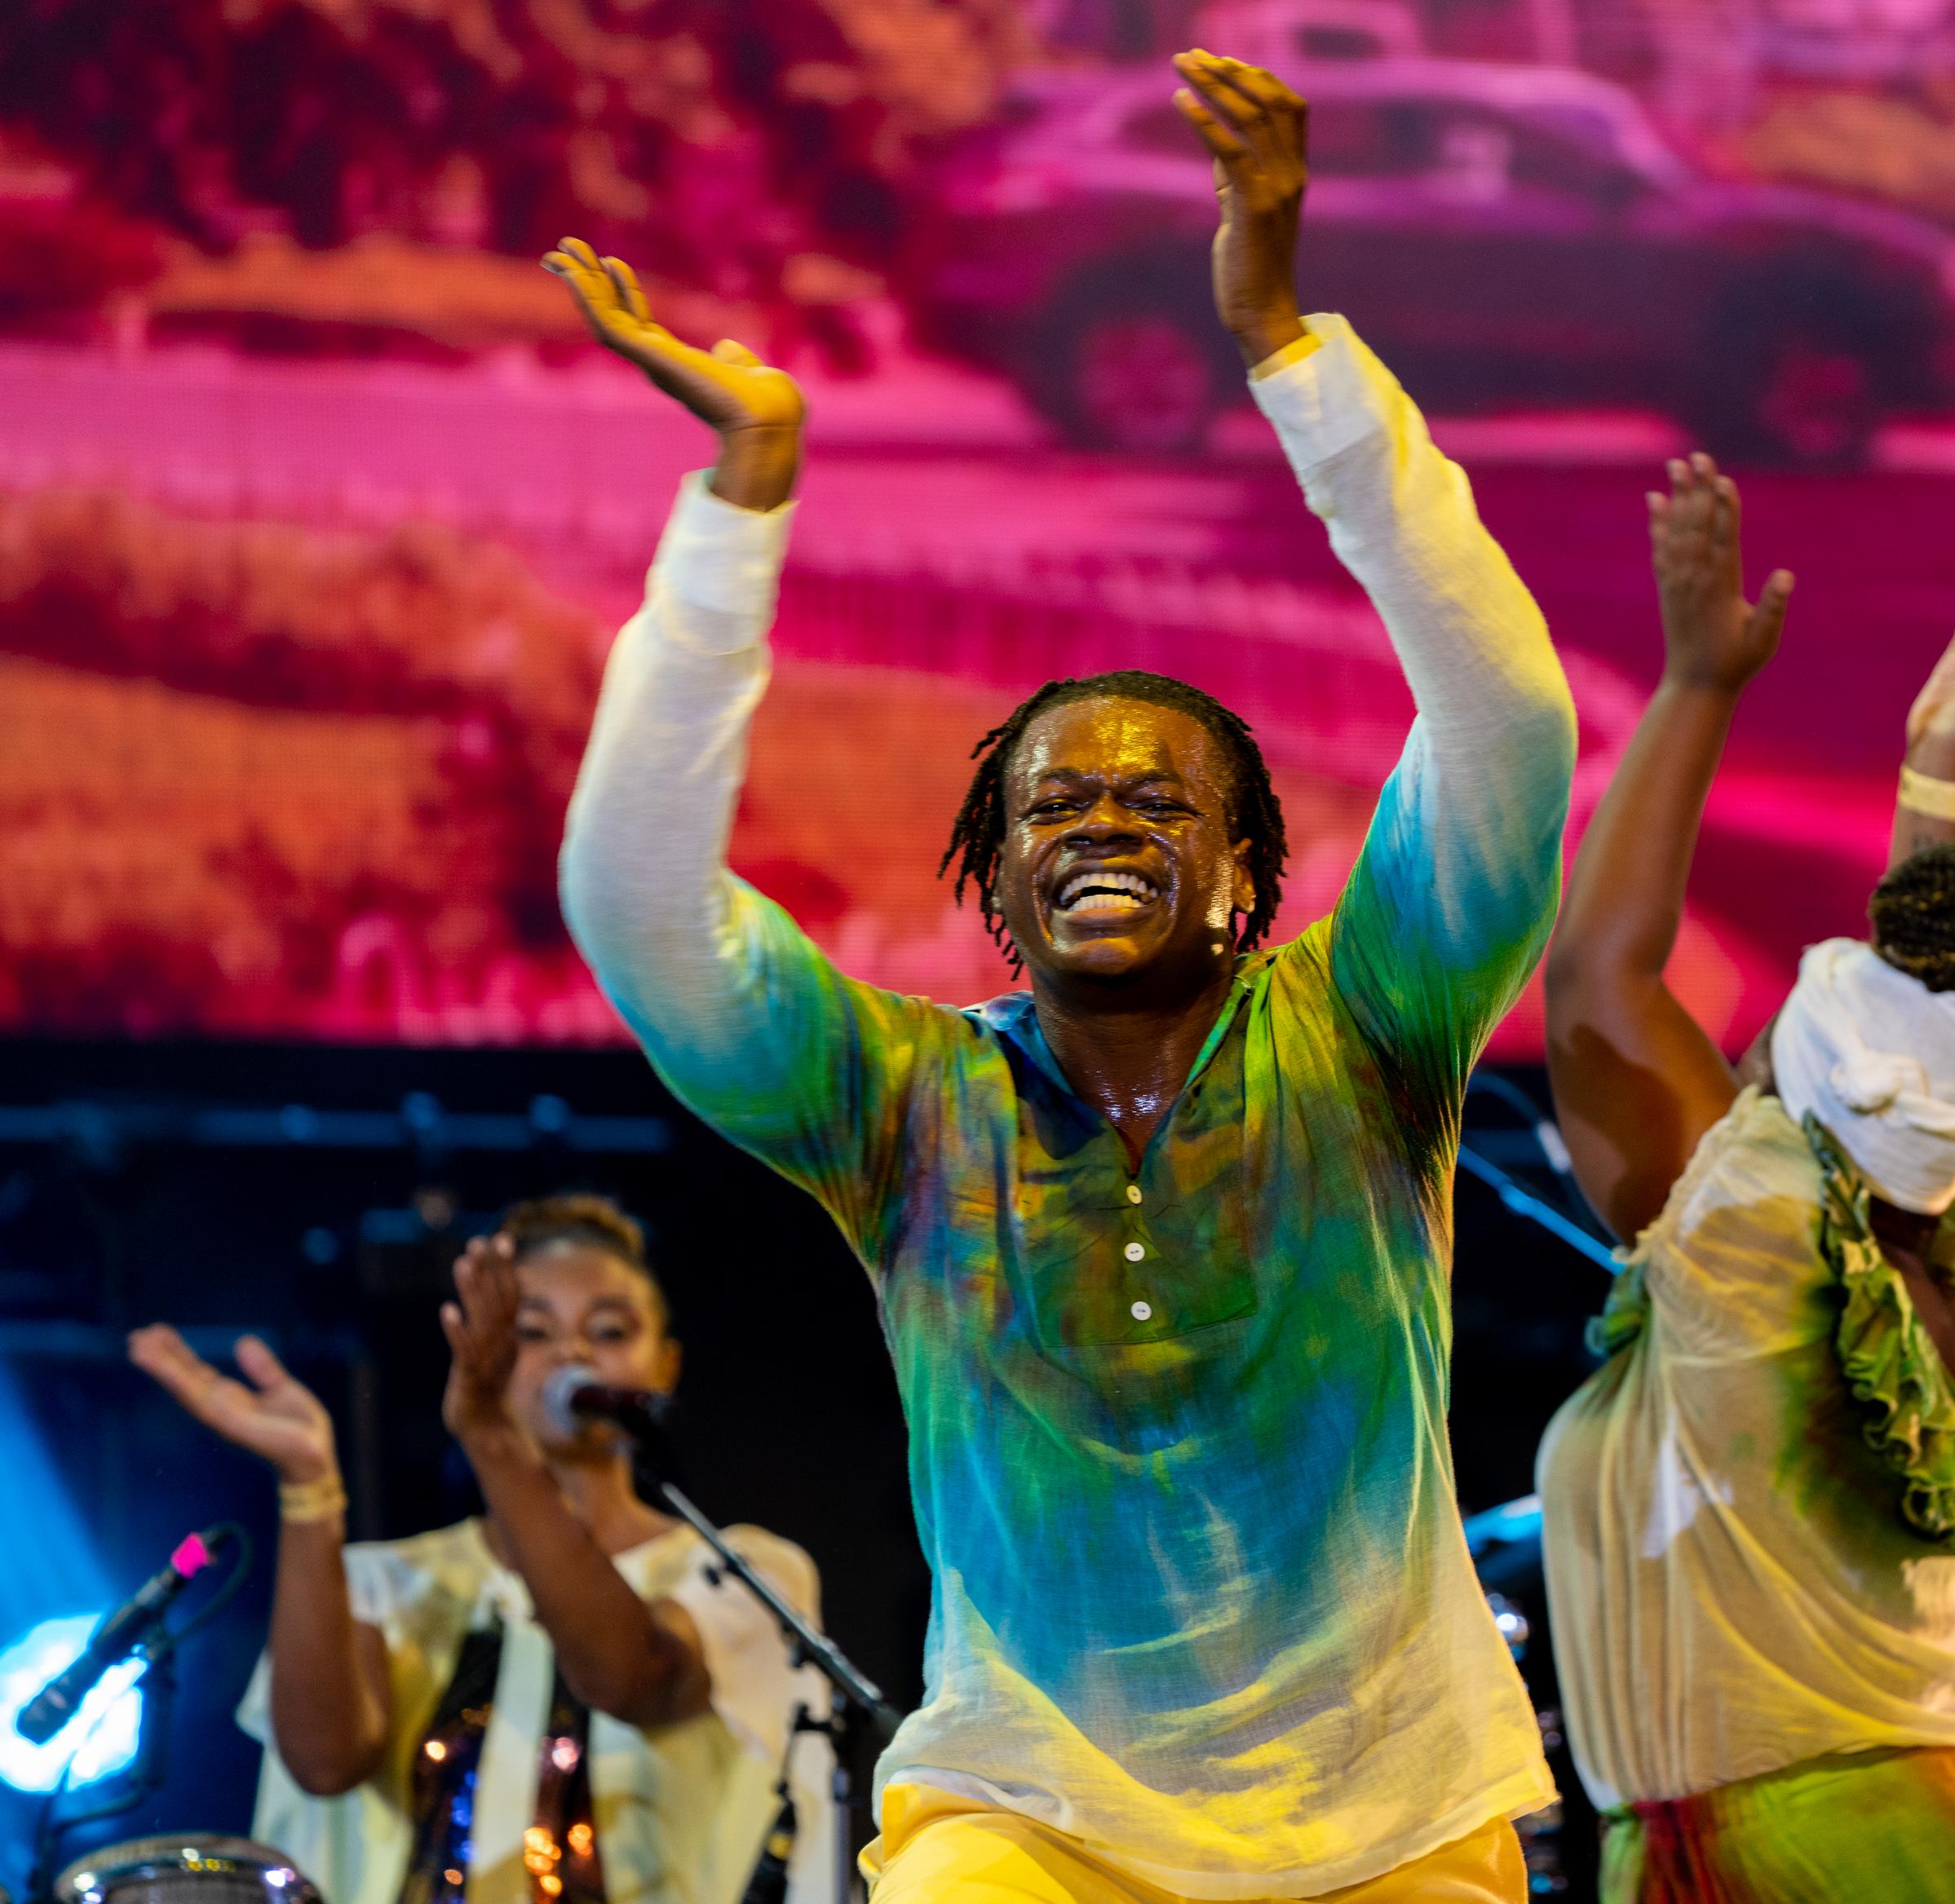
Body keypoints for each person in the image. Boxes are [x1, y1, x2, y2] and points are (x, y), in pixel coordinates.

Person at [546, 48, 1574, 1904]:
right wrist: (738, 507)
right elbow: (638, 906)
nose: (1099, 823)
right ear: (998, 885)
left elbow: (1505, 721)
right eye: (1051, 806)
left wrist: (1284, 345)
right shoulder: (903, 1103)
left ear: (1249, 875)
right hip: (1026, 1814)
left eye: (1157, 800)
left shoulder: (1369, 1028)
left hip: (1397, 1818)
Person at [1535, 456, 1955, 1902]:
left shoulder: (1754, 1243)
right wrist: (1941, 791)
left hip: (1820, 1855)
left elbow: (1599, 976)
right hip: (1929, 1828)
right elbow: (1937, 1066)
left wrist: (1696, 685)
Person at [127, 1195, 829, 1904]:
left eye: (610, 1329)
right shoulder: (387, 1581)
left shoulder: (744, 1573)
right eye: (532, 1330)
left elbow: (631, 1677)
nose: (573, 1352)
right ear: (479, 1352)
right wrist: (309, 1486)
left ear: (666, 1365)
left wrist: (490, 1436)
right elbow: (324, 1762)